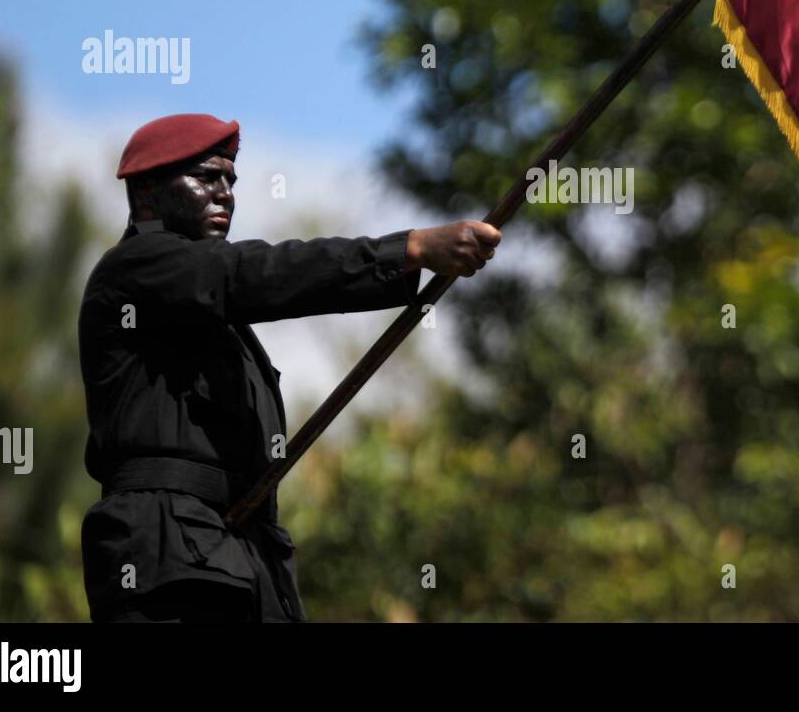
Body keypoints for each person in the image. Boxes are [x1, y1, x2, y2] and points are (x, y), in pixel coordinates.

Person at [78, 113, 500, 622]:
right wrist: (406, 250)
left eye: (230, 180)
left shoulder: (208, 314)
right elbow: (250, 274)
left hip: (234, 557)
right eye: (206, 176)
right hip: (167, 558)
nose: (225, 192)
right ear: (146, 193)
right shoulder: (136, 267)